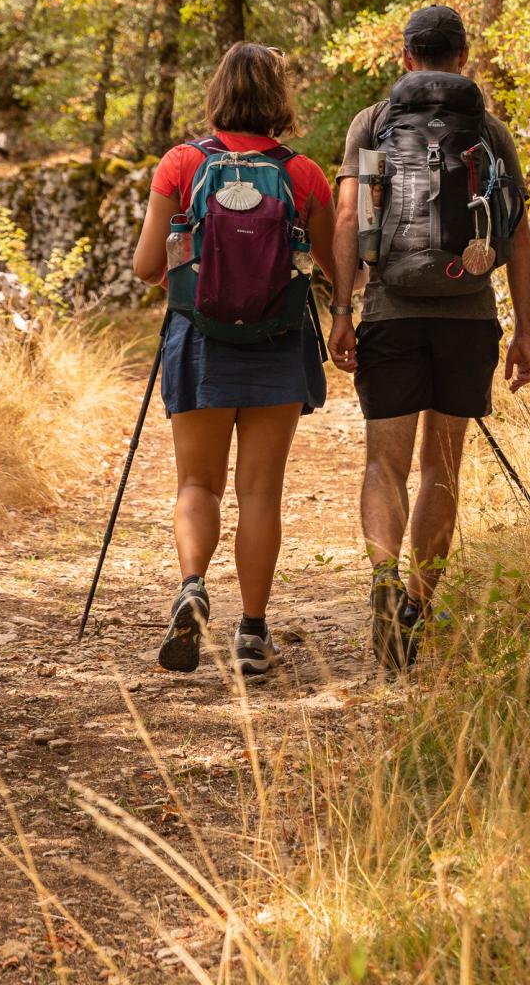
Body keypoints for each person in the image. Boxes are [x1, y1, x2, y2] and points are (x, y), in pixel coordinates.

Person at [329, 5, 530, 669]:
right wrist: (524, 330)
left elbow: (347, 218)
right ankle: (416, 609)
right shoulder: (490, 130)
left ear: (405, 57)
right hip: (468, 316)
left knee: (382, 464)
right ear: (464, 57)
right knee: (441, 469)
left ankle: (383, 580)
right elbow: (517, 234)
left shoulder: (373, 123)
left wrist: (341, 309)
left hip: (390, 312)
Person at [132, 42, 336, 676]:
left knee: (197, 485)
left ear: (218, 91)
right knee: (259, 493)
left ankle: (192, 587)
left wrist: (195, 274)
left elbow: (145, 267)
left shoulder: (182, 163)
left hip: (200, 343)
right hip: (277, 344)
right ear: (279, 98)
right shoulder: (303, 174)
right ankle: (251, 634)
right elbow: (335, 268)